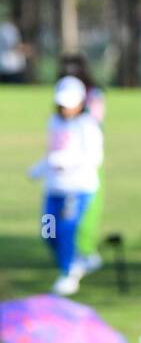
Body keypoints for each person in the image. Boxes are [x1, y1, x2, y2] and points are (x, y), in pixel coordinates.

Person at [26, 77, 103, 295]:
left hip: (77, 189)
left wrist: (66, 162)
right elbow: (52, 153)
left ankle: (68, 274)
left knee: (67, 230)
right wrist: (40, 168)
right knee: (48, 233)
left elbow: (94, 158)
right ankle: (80, 259)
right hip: (54, 189)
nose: (65, 109)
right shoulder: (53, 122)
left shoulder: (88, 126)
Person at [59, 54, 106, 276]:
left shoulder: (93, 97)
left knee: (86, 212)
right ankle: (70, 256)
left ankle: (86, 252)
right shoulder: (60, 102)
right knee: (54, 223)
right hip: (62, 172)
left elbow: (96, 121)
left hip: (85, 165)